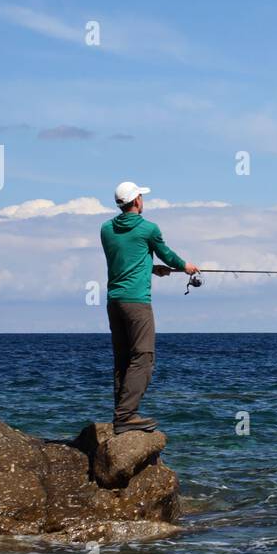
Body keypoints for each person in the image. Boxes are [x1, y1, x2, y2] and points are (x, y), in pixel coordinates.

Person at [99, 181, 199, 433]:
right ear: (136, 201)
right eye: (141, 196)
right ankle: (126, 416)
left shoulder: (106, 230)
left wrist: (150, 268)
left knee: (123, 359)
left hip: (114, 301)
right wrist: (185, 265)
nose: (143, 200)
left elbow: (125, 259)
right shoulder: (148, 229)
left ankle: (121, 414)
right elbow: (166, 254)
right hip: (137, 303)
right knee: (143, 357)